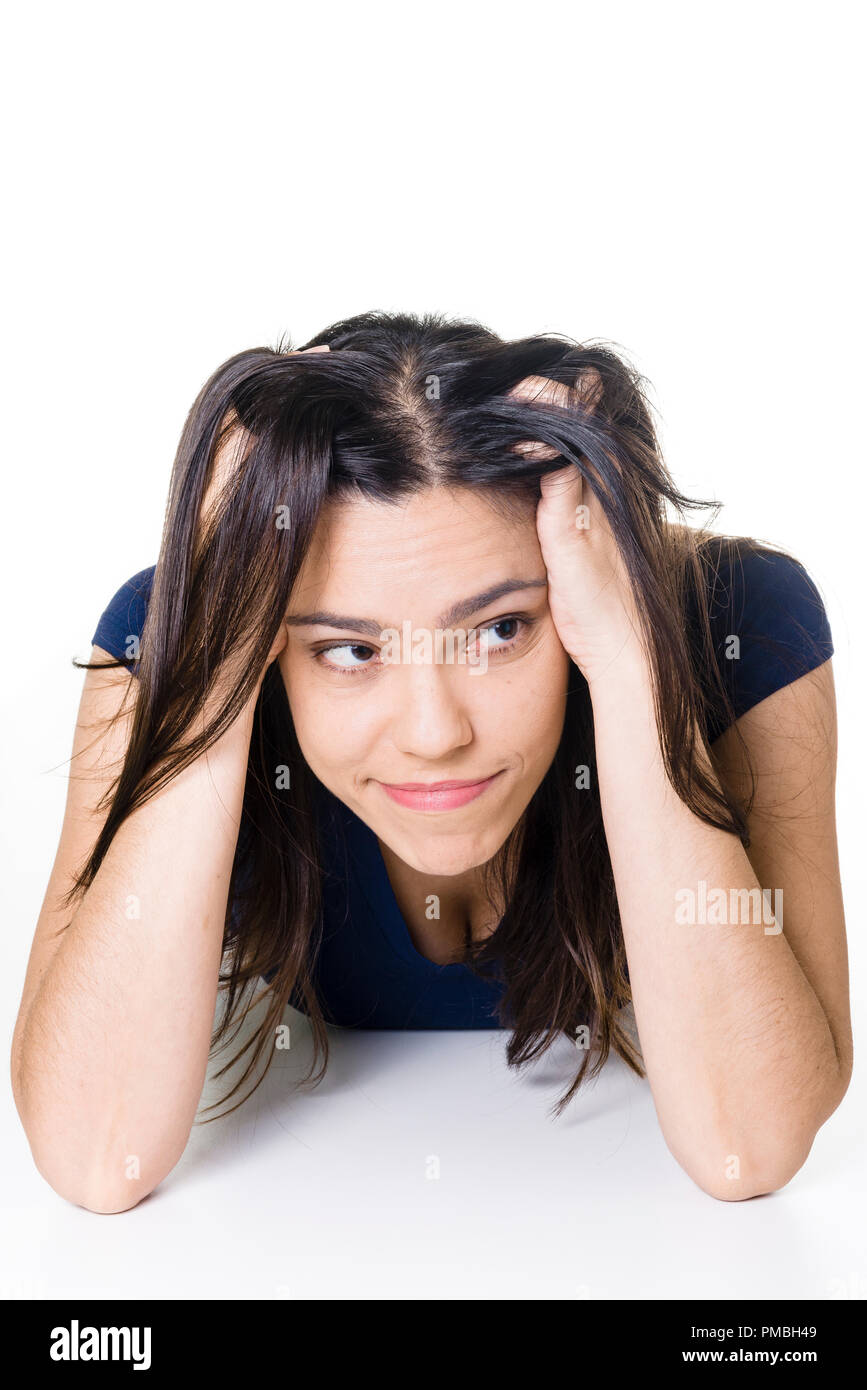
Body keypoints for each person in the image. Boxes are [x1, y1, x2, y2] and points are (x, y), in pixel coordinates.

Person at [11, 311, 852, 1213]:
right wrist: (214, 669)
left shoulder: (737, 626)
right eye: (349, 649)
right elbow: (97, 1161)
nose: (432, 733)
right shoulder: (174, 636)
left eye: (499, 630)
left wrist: (631, 656)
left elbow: (749, 1148)